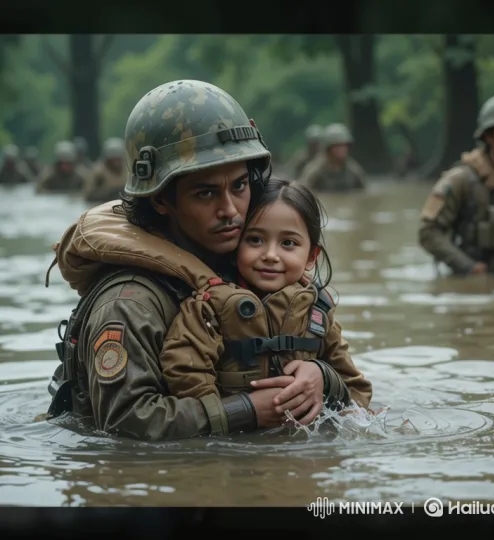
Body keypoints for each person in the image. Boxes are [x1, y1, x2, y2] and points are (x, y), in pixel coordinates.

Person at [45, 79, 353, 441]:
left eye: (239, 186)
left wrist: (320, 376)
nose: (230, 210)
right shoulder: (130, 303)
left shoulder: (246, 267)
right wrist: (250, 410)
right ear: (161, 200)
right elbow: (124, 421)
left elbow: (339, 375)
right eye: (205, 193)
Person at [160, 178, 373, 422]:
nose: (270, 255)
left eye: (288, 243)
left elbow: (358, 394)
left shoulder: (318, 311)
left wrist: (323, 376)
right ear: (235, 245)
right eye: (255, 240)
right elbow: (185, 378)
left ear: (312, 256)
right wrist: (239, 416)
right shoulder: (209, 308)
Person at [419, 92, 494, 275]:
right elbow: (429, 232)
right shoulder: (460, 180)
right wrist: (468, 267)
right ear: (489, 136)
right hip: (477, 279)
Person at [299, 123, 366, 192]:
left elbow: (365, 194)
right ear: (328, 148)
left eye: (345, 145)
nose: (342, 149)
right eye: (338, 145)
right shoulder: (315, 171)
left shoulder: (353, 171)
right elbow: (303, 194)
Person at [84, 137, 126, 204]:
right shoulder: (98, 173)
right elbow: (88, 195)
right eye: (113, 160)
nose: (116, 163)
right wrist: (109, 193)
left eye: (118, 159)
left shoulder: (128, 172)